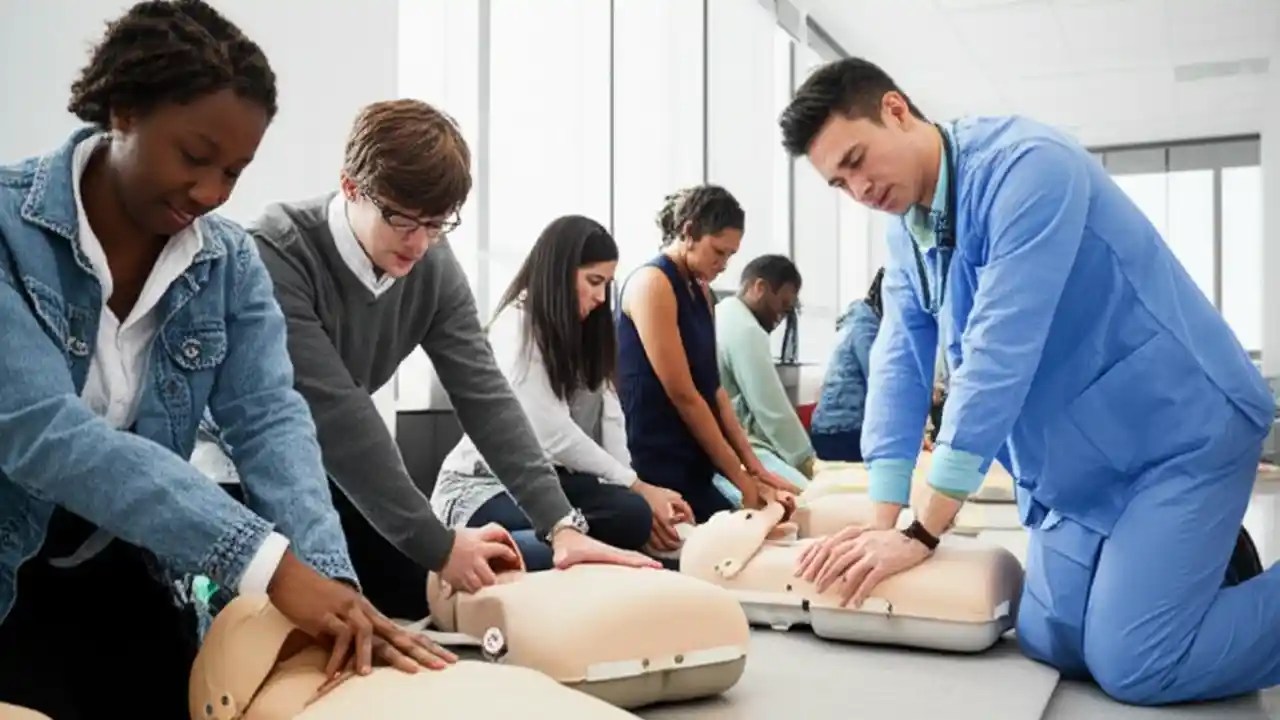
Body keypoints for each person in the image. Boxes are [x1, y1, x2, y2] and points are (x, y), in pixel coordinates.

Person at [782, 56, 1278, 706]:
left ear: (896, 110)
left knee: (1135, 663)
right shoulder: (907, 233)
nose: (858, 188)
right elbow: (900, 361)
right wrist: (883, 520)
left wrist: (923, 530)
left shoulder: (1029, 167)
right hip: (1081, 463)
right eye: (838, 183)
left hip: (1177, 432)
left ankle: (1185, 575)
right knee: (1053, 640)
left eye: (857, 159)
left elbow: (998, 355)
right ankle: (1205, 571)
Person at [0, 2, 447, 717]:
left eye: (235, 171)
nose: (211, 193)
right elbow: (41, 431)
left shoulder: (227, 261)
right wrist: (266, 563)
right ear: (123, 110)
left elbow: (270, 420)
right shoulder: (7, 232)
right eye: (195, 156)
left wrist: (333, 589)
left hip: (133, 557)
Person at [242, 99, 657, 621]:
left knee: (410, 588)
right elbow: (339, 416)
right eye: (402, 221)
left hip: (333, 463)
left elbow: (485, 394)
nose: (419, 244)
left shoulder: (432, 263)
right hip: (241, 465)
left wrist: (562, 527)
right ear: (351, 186)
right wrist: (439, 545)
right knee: (316, 608)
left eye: (437, 224)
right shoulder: (277, 250)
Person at [432, 215, 695, 568]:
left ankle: (572, 546)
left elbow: (611, 422)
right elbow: (550, 433)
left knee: (633, 514)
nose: (602, 297)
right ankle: (489, 548)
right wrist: (637, 485)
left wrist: (641, 496)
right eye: (593, 281)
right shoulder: (518, 324)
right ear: (560, 272)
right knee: (560, 541)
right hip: (485, 487)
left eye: (607, 284)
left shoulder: (586, 334)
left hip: (551, 485)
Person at [617, 186, 800, 524]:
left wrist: (753, 468)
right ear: (688, 233)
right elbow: (684, 394)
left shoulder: (703, 292)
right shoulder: (652, 284)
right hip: (655, 459)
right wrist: (743, 481)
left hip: (694, 459)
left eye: (730, 255)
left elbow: (714, 390)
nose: (723, 265)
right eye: (718, 252)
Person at [713, 254, 815, 495]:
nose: (780, 317)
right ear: (760, 288)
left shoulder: (721, 314)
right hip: (741, 449)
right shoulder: (746, 330)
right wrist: (806, 459)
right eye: (782, 305)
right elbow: (771, 408)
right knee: (807, 498)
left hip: (724, 446)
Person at [809, 267, 884, 461]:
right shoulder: (866, 328)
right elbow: (881, 382)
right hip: (843, 431)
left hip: (832, 429)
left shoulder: (857, 321)